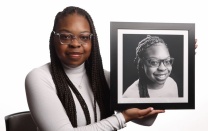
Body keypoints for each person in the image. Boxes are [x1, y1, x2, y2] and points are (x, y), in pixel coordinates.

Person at [25, 6, 165, 131]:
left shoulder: (106, 78)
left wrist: (156, 88)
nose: (75, 43)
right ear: (53, 39)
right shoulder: (39, 78)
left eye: (84, 37)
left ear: (93, 41)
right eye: (66, 36)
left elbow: (147, 121)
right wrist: (122, 118)